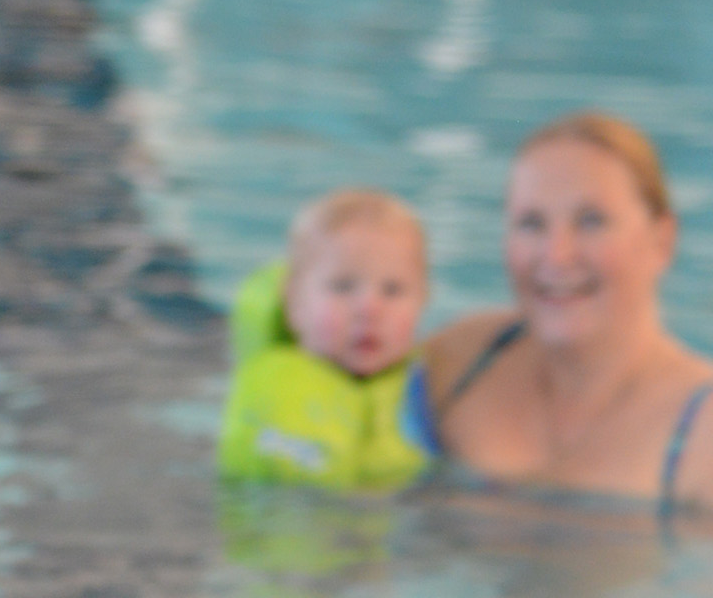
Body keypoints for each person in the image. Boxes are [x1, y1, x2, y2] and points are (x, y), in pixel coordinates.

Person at [416, 112, 713, 512]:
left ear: (662, 240)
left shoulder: (701, 435)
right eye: (531, 223)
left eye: (591, 221)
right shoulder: (459, 365)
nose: (556, 256)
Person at [219, 187, 434, 492]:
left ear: (423, 302)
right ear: (294, 302)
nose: (369, 309)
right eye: (343, 287)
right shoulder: (274, 383)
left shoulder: (431, 391)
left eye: (393, 290)